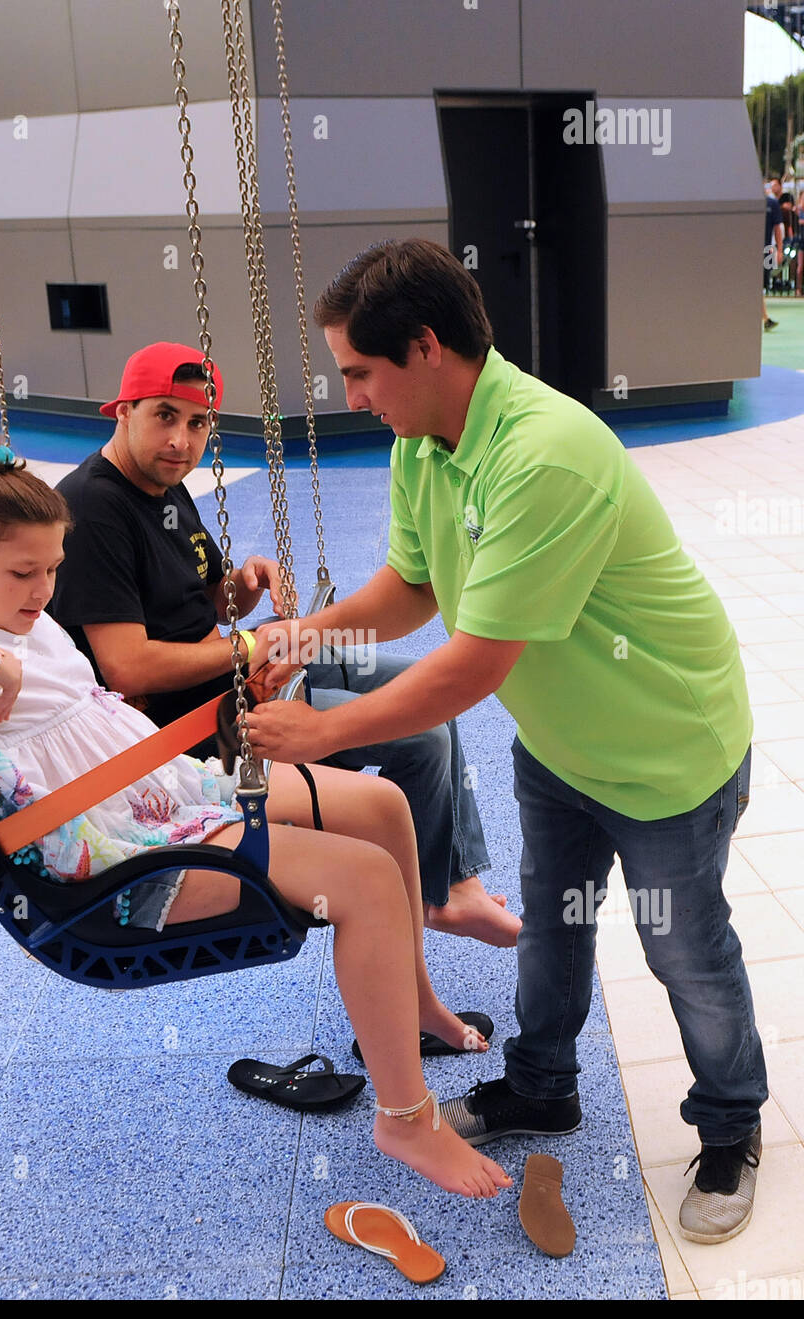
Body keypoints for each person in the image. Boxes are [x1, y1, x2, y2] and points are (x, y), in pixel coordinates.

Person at [0, 429, 513, 1201]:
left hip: (168, 789)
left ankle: (412, 1001)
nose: (43, 591)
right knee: (366, 879)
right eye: (24, 572)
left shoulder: (22, 615)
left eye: (53, 568)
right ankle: (405, 1119)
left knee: (383, 804)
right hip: (120, 860)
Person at [245, 239, 767, 1244]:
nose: (352, 394)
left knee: (684, 949)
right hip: (563, 746)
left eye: (360, 371)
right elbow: (415, 589)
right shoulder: (423, 445)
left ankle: (731, 1124)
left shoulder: (542, 452)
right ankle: (540, 1087)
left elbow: (474, 662)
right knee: (554, 921)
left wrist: (323, 729)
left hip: (666, 750)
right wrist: (306, 635)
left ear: (426, 347)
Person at [48, 341, 523, 948]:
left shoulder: (164, 484)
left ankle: (455, 886)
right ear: (123, 411)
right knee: (421, 740)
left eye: (197, 424)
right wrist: (252, 643)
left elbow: (205, 602)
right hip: (193, 727)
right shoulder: (93, 508)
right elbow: (129, 666)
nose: (181, 440)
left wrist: (242, 586)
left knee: (426, 690)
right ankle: (439, 898)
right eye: (164, 415)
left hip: (235, 676)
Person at [762, 179, 783, 329]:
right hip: (748, 249)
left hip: (767, 249)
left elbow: (777, 228)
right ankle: (765, 318)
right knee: (755, 285)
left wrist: (779, 250)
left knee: (763, 284)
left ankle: (765, 318)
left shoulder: (772, 204)